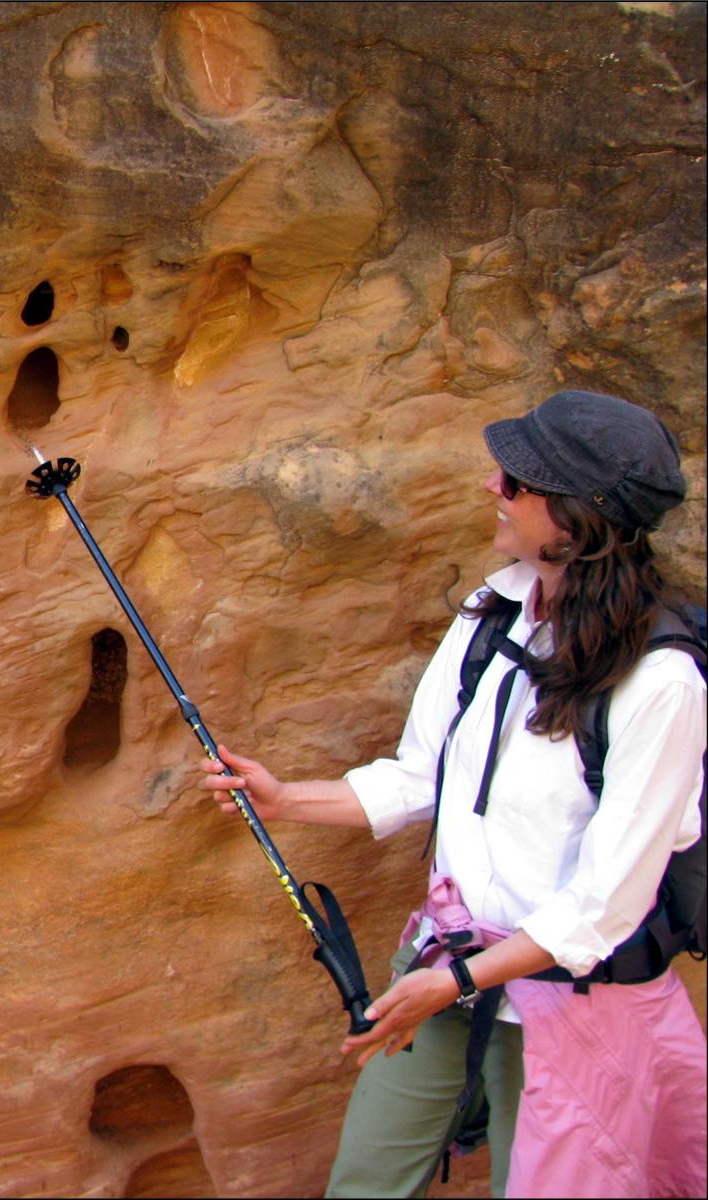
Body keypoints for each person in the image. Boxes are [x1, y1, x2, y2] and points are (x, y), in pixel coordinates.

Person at [200, 390, 706, 1198]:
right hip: (445, 966)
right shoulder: (492, 613)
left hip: (575, 1006)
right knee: (365, 1181)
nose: (491, 488)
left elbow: (603, 908)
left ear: (573, 519)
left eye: (516, 482)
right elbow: (420, 775)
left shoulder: (660, 681)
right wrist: (283, 797)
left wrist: (457, 982)